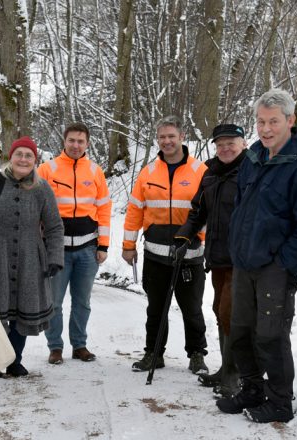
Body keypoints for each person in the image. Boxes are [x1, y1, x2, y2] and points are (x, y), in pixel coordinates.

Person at [216, 89, 297, 423]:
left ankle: (280, 401)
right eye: (261, 121)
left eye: (273, 122)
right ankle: (252, 388)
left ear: (290, 121)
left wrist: (285, 262)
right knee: (240, 330)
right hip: (245, 262)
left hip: (275, 267)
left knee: (271, 335)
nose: (265, 129)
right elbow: (242, 207)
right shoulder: (253, 157)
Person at [121, 115, 209, 375]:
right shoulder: (148, 172)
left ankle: (196, 354)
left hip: (190, 255)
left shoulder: (200, 171)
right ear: (157, 139)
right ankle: (154, 353)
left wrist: (203, 239)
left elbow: (208, 211)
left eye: (172, 136)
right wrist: (128, 244)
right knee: (155, 308)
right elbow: (135, 210)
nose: (167, 141)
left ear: (182, 137)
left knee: (191, 308)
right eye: (162, 137)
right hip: (155, 255)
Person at [0, 136, 65, 377]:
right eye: (19, 154)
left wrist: (54, 257)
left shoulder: (42, 187)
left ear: (35, 160)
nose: (23, 159)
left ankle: (14, 360)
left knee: (22, 313)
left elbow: (54, 226)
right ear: (11, 156)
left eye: (28, 155)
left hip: (31, 258)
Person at [176, 123, 247, 396]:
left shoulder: (250, 171)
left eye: (231, 143)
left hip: (241, 258)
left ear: (242, 143)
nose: (226, 148)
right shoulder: (211, 174)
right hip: (217, 256)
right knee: (220, 310)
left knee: (231, 313)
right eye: (220, 144)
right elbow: (198, 211)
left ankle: (234, 374)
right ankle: (226, 368)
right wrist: (184, 236)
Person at [38, 123, 112, 365]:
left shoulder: (95, 171)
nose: (76, 145)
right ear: (64, 141)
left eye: (80, 141)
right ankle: (55, 347)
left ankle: (79, 344)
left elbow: (103, 209)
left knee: (82, 302)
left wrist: (103, 245)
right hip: (56, 250)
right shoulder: (47, 170)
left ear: (87, 144)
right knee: (55, 302)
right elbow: (36, 207)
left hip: (87, 249)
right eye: (71, 140)